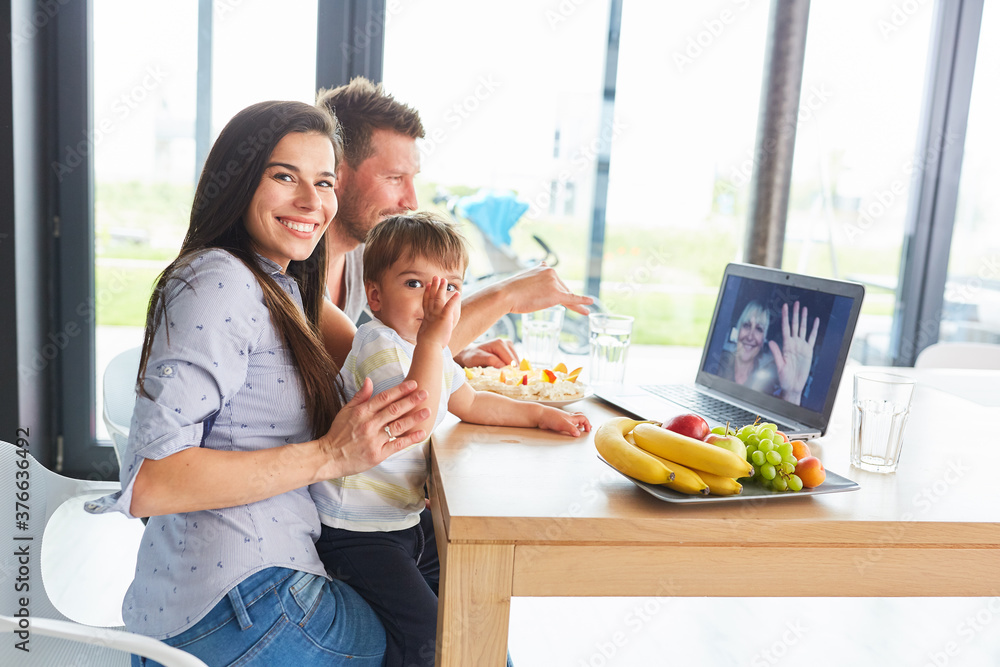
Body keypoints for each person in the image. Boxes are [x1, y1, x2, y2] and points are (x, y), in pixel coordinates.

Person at [86, 101, 435, 667]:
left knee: (442, 587)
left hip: (245, 593)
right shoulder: (219, 280)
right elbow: (152, 481)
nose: (311, 202)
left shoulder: (277, 283)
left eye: (324, 182)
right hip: (244, 606)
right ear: (240, 180)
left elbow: (386, 352)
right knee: (447, 637)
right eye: (283, 177)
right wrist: (328, 455)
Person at [311, 212, 591, 667]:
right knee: (425, 631)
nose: (435, 301)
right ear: (376, 296)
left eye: (449, 287)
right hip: (354, 532)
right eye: (415, 284)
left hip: (401, 522)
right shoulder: (376, 343)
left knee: (471, 596)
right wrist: (433, 341)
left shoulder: (431, 349)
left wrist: (542, 415)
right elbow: (416, 417)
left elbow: (474, 403)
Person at [315, 76, 594, 370]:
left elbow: (395, 344)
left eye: (413, 180)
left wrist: (460, 353)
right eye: (394, 178)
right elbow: (386, 373)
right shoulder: (294, 271)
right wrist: (505, 294)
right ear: (335, 174)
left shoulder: (361, 254)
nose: (412, 202)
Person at [715, 299, 820, 405]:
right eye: (746, 325)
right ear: (738, 329)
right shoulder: (717, 362)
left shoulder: (769, 385)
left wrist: (792, 394)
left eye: (759, 329)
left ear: (764, 339)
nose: (750, 336)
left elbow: (779, 419)